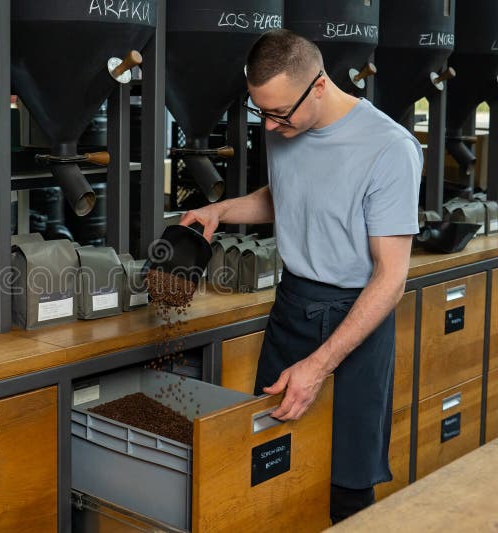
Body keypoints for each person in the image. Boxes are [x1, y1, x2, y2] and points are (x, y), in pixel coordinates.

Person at [180, 29, 422, 524]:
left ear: (318, 85)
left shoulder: (389, 148)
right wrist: (221, 210)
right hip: (292, 308)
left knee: (345, 482)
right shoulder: (287, 126)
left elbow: (390, 280)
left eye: (278, 114)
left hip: (355, 320)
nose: (269, 127)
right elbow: (285, 195)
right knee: (269, 462)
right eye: (260, 113)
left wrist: (319, 365)